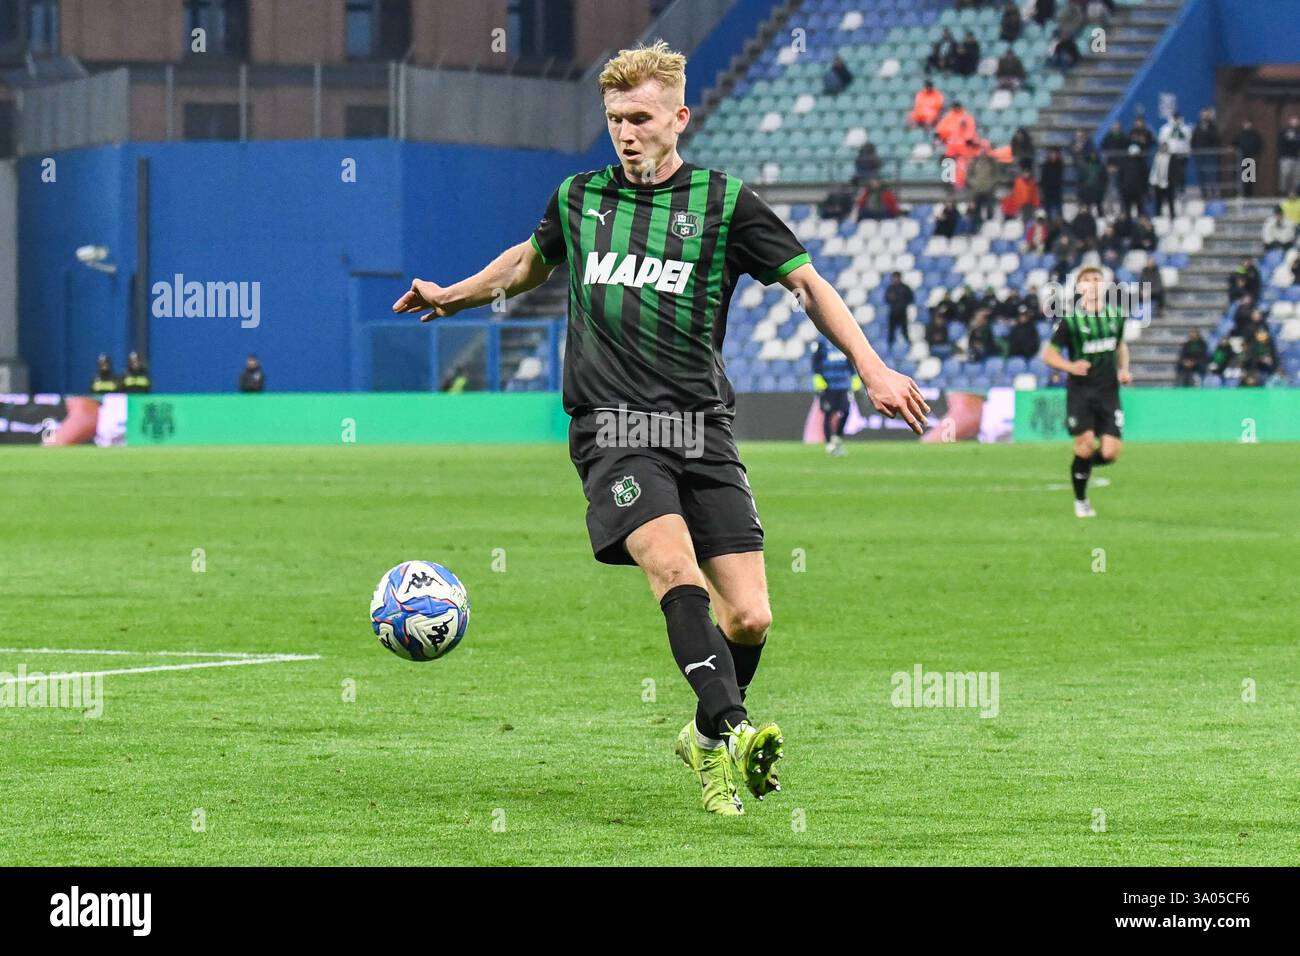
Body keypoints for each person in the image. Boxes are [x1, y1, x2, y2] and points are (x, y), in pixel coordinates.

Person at [391, 40, 927, 818]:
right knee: (675, 570)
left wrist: (873, 367)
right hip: (611, 430)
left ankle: (704, 740)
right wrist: (454, 296)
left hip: (702, 428)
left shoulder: (723, 203)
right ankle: (738, 730)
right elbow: (523, 266)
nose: (626, 132)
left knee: (749, 615)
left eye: (640, 117)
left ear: (679, 117)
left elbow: (808, 285)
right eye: (614, 118)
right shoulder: (579, 199)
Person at [1040, 266, 1131, 518]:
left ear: (1104, 286)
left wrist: (1124, 370)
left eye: (1097, 280)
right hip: (1081, 392)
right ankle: (1081, 501)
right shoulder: (1070, 321)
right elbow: (1048, 354)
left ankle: (1080, 468)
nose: (1093, 284)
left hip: (1108, 392)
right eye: (1087, 281)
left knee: (1110, 453)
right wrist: (1069, 366)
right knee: (1085, 444)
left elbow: (1120, 345)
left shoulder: (1116, 316)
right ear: (1080, 288)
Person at [811, 338, 860, 457]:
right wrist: (817, 377)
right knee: (828, 414)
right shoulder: (821, 343)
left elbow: (850, 360)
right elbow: (815, 362)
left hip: (843, 385)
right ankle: (829, 444)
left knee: (846, 411)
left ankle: (837, 437)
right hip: (828, 386)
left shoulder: (843, 340)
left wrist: (854, 376)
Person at [1158, 111, 1191, 197]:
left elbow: (1188, 141)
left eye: (1177, 117)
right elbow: (1162, 141)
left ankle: (1181, 191)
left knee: (1181, 174)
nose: (1176, 119)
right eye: (1175, 117)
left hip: (1181, 154)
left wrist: (1187, 153)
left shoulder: (1185, 129)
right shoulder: (1165, 129)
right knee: (1169, 175)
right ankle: (1170, 192)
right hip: (1169, 155)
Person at [1190, 108, 1219, 197]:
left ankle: (1213, 192)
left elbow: (1216, 139)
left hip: (1210, 154)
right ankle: (1204, 193)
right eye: (1202, 115)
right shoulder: (1197, 126)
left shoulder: (1213, 127)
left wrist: (1207, 130)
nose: (1204, 117)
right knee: (1201, 174)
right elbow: (1193, 139)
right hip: (1199, 154)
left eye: (1206, 115)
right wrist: (1193, 149)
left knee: (1211, 174)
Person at [966, 149, 1000, 222]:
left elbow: (996, 174)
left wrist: (991, 182)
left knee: (989, 207)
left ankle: (990, 224)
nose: (983, 154)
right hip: (977, 189)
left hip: (988, 189)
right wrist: (973, 182)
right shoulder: (974, 162)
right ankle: (978, 224)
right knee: (977, 208)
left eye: (984, 152)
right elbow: (969, 174)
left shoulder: (991, 162)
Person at [1232, 119, 1263, 198]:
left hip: (1251, 159)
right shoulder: (1239, 134)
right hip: (1241, 159)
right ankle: (1240, 194)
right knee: (1240, 178)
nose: (1247, 125)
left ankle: (1249, 195)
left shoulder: (1255, 135)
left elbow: (1260, 146)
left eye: (1248, 124)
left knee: (1250, 179)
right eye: (1246, 124)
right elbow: (1233, 145)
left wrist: (1256, 155)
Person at [884, 271, 915, 347]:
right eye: (893, 278)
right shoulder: (890, 288)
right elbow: (886, 299)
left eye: (896, 277)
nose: (895, 279)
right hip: (893, 313)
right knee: (891, 332)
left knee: (904, 331)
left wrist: (903, 303)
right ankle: (890, 347)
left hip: (902, 312)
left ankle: (908, 346)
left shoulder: (905, 288)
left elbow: (911, 298)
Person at [1118, 143, 1148, 218]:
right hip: (1127, 190)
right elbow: (1120, 176)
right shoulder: (1125, 163)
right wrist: (1121, 187)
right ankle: (1129, 224)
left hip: (1138, 190)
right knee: (1127, 209)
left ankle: (1140, 225)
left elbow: (1145, 177)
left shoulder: (1142, 164)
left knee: (1140, 209)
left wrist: (1144, 189)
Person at [1149, 141, 1175, 218]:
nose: (1163, 148)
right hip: (1158, 182)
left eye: (1165, 147)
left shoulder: (1171, 157)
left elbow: (1175, 170)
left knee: (1170, 200)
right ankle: (1158, 214)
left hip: (1168, 182)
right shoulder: (1157, 157)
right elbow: (1154, 169)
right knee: (1158, 200)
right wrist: (1153, 180)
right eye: (1162, 146)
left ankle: (1172, 215)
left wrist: (1172, 180)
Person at [1039, 147, 1065, 222]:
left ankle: (1060, 226)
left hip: (1057, 191)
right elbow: (1043, 179)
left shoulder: (1059, 165)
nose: (1053, 156)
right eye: (1052, 154)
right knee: (1047, 212)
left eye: (1055, 154)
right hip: (1048, 191)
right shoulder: (1046, 165)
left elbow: (1060, 179)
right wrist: (1043, 190)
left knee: (1059, 211)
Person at [1278, 115, 1300, 195]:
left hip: (1296, 158)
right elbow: (1285, 141)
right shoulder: (1285, 131)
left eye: (1297, 121)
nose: (1295, 123)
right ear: (1290, 121)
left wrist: (1294, 139)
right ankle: (1283, 193)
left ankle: (1294, 193)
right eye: (1294, 121)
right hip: (1286, 158)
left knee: (1296, 177)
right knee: (1285, 175)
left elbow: (1295, 141)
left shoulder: (1298, 132)